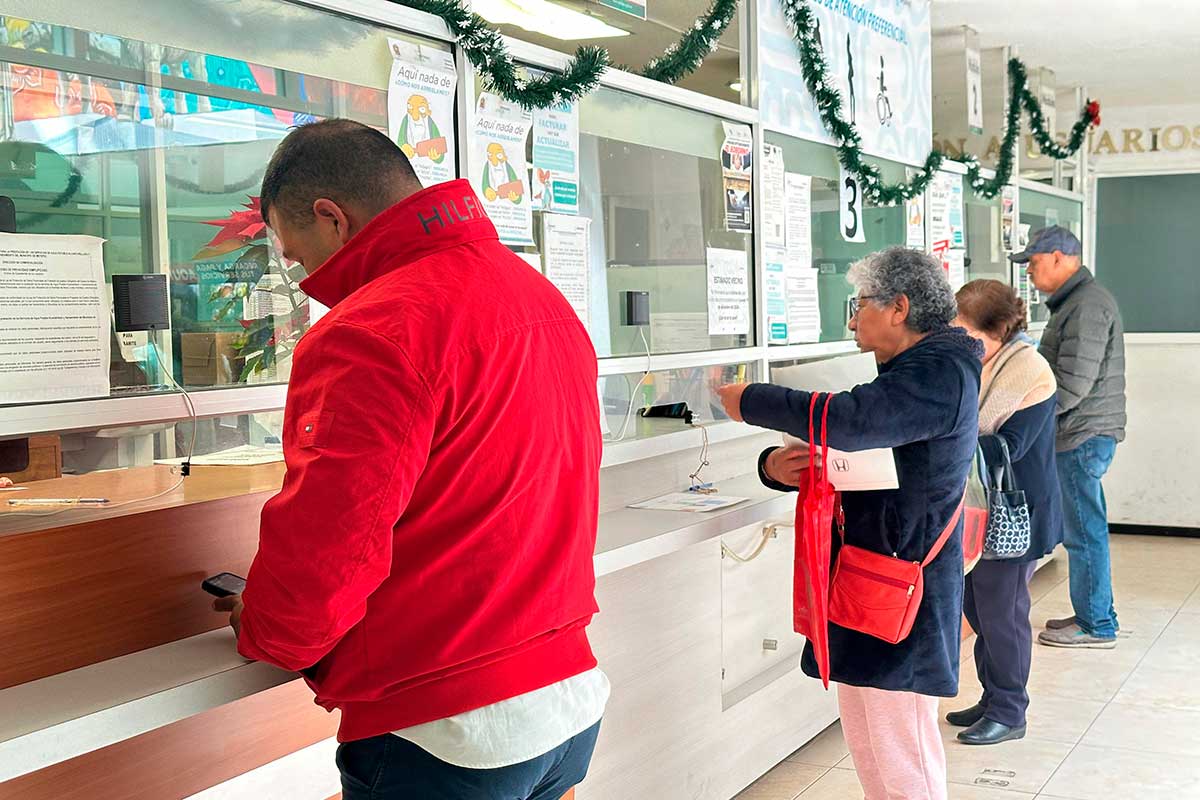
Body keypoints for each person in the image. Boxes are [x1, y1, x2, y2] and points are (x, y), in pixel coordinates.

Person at [212, 119, 608, 800]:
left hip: (443, 727)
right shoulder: (540, 297)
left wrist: (266, 625)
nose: (306, 279)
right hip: (565, 702)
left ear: (331, 218)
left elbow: (330, 545)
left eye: (299, 258)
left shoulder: (372, 329)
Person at [718, 247, 982, 800]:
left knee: (902, 750)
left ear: (898, 307)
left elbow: (853, 422)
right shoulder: (906, 370)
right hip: (866, 579)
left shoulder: (939, 371)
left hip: (901, 588)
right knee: (872, 744)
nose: (852, 318)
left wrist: (753, 399)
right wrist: (777, 467)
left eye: (858, 304)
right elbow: (860, 457)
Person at [948, 280, 1063, 745]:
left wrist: (946, 436)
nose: (959, 340)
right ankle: (991, 697)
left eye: (966, 331)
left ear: (997, 329)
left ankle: (1011, 712)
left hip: (1016, 515)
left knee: (1003, 614)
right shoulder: (983, 362)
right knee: (977, 607)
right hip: (979, 509)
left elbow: (1009, 446)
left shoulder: (1030, 372)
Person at [1014, 226, 1127, 649]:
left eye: (1034, 263)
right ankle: (1093, 613)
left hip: (1082, 435)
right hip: (1081, 433)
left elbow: (1071, 384)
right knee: (1082, 529)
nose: (1029, 273)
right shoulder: (1076, 302)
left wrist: (1028, 415)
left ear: (1061, 258)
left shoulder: (1086, 305)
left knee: (1084, 532)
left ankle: (1097, 625)